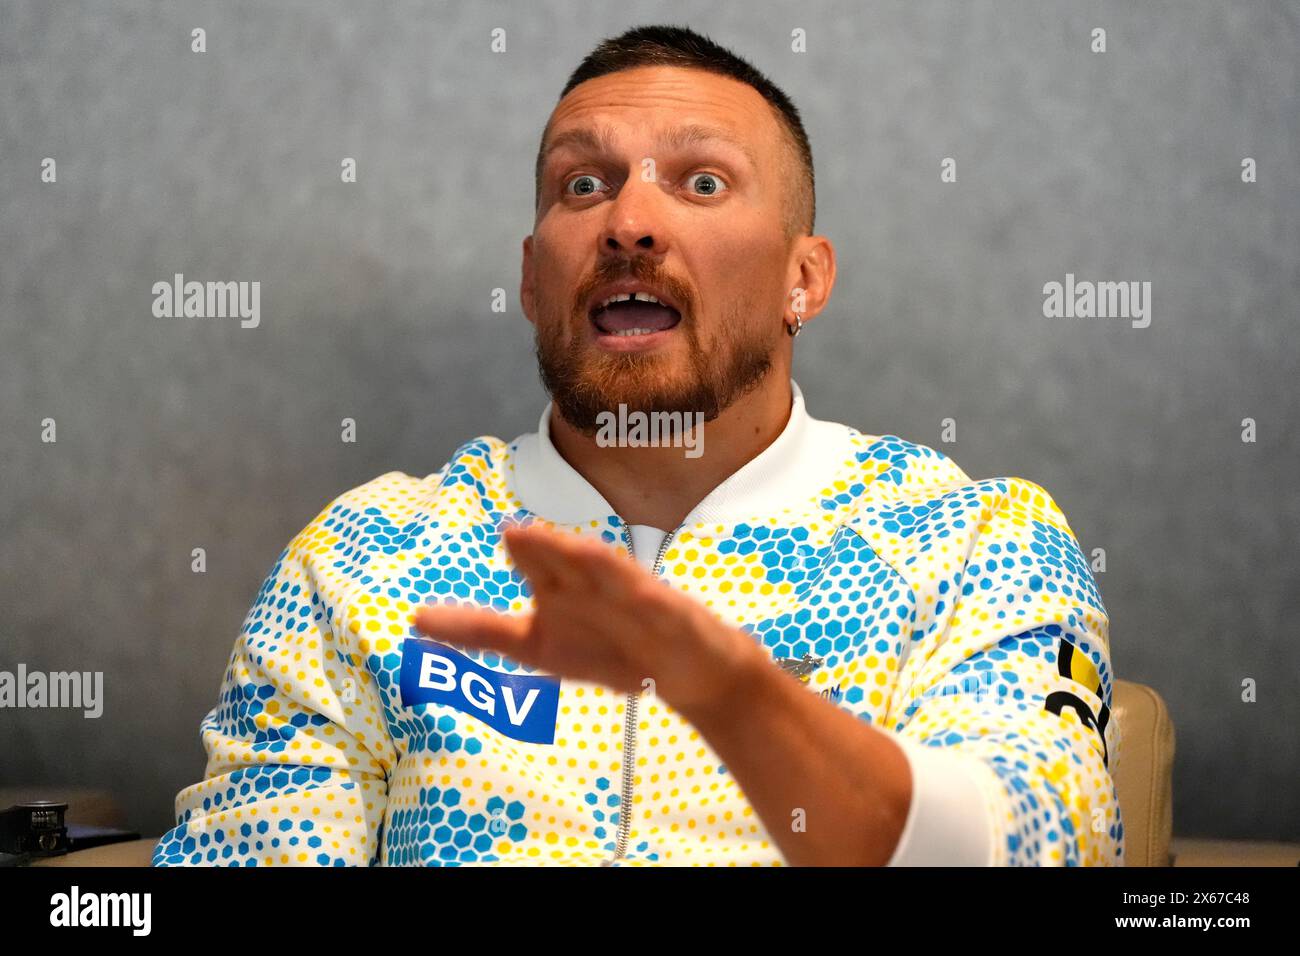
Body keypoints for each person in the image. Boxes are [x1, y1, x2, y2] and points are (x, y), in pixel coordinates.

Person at [153, 24, 1122, 867]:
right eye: (584, 183)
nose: (628, 223)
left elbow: (1033, 842)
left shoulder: (974, 541)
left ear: (804, 279)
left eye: (702, 181)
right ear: (533, 280)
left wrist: (730, 694)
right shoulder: (366, 553)